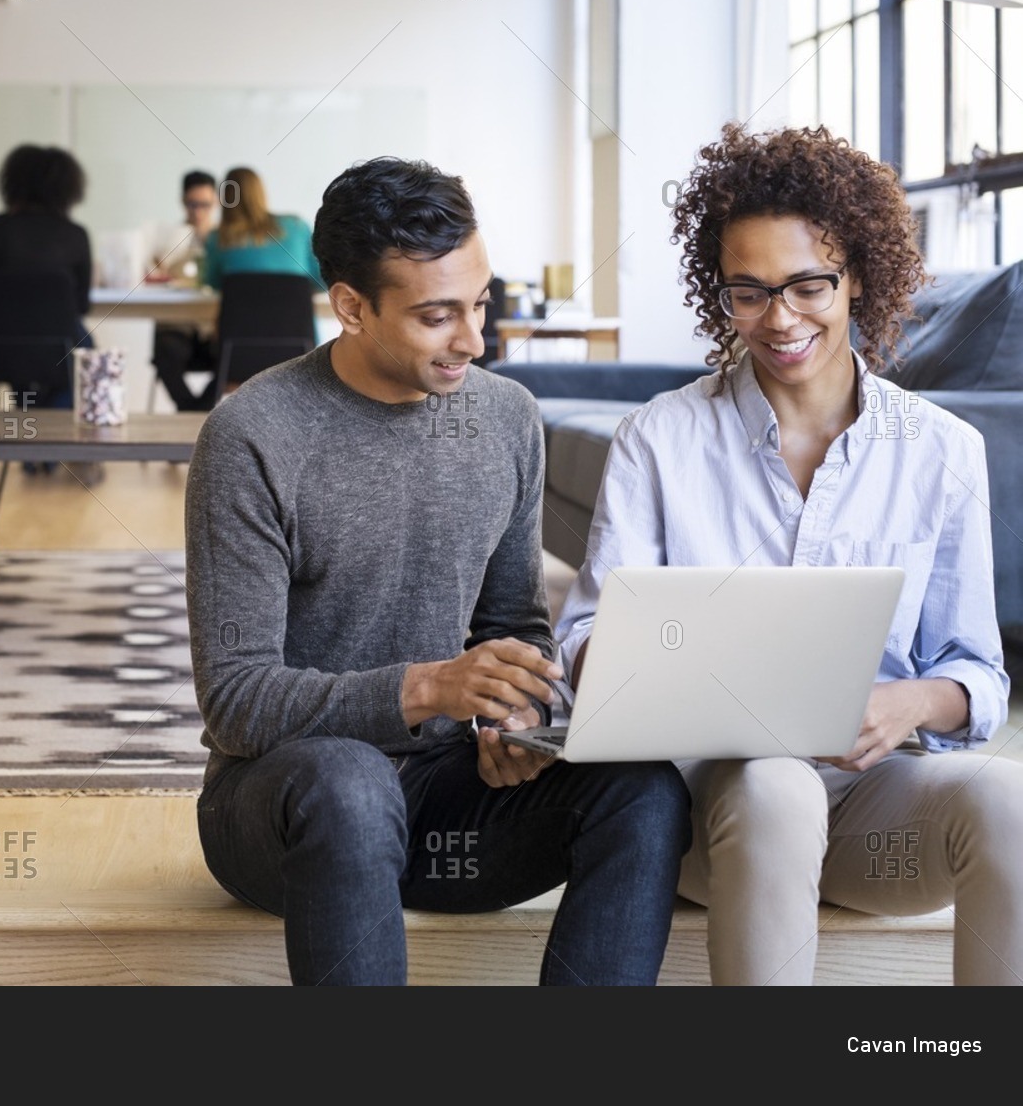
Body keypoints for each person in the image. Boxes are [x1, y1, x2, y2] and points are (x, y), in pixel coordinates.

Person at [184, 155, 692, 986]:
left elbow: (513, 628)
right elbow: (237, 701)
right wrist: (427, 690)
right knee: (348, 780)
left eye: (481, 302)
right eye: (436, 315)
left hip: (448, 802)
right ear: (351, 306)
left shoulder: (505, 418)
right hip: (285, 810)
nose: (474, 339)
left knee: (643, 789)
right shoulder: (252, 435)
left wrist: (510, 720)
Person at [553, 122, 1023, 986]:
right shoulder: (657, 441)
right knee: (776, 785)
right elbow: (581, 642)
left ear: (859, 278)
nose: (780, 319)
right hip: (713, 821)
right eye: (750, 291)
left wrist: (910, 700)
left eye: (809, 284)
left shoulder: (943, 451)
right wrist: (638, 661)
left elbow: (981, 677)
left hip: (875, 814)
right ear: (719, 294)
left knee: (1010, 800)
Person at [153, 167, 324, 411]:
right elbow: (322, 281)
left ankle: (193, 412)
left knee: (167, 343)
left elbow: (210, 283)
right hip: (297, 352)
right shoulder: (296, 228)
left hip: (236, 358)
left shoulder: (220, 238)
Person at [0, 143, 94, 407]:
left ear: (10, 183)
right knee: (83, 346)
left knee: (26, 351)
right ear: (70, 188)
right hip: (59, 349)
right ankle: (49, 422)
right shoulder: (76, 235)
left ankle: (32, 417)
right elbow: (81, 305)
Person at [148, 170, 220, 411]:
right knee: (166, 352)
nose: (198, 212)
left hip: (214, 328)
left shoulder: (224, 241)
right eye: (192, 205)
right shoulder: (168, 239)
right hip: (178, 327)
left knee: (237, 351)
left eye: (205, 205)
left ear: (216, 203)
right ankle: (194, 413)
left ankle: (195, 412)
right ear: (183, 202)